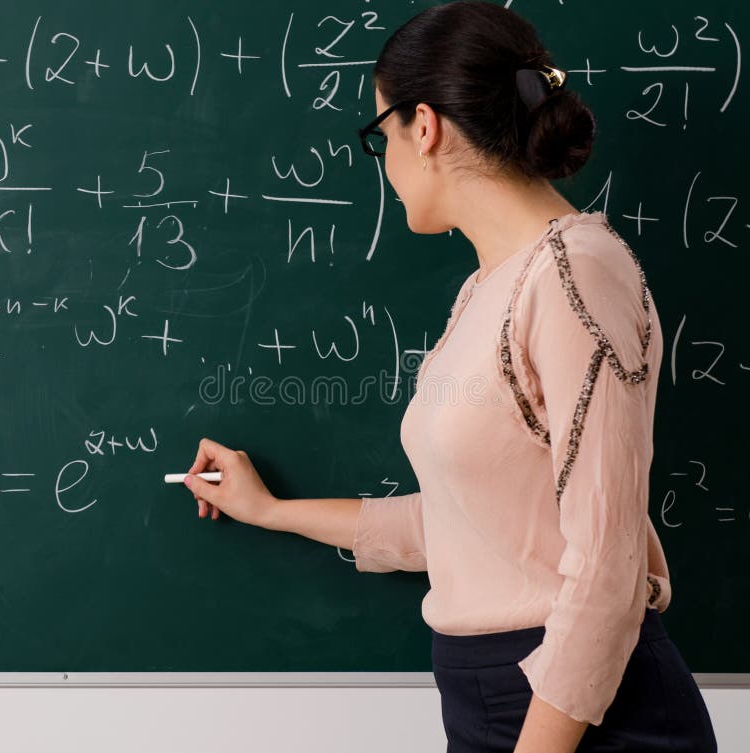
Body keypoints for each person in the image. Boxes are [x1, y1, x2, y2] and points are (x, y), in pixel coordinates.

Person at [183, 2, 719, 751]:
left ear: (423, 125)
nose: (387, 165)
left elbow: (605, 564)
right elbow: (468, 525)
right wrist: (270, 508)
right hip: (494, 702)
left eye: (381, 137)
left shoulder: (575, 273)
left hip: (583, 716)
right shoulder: (487, 288)